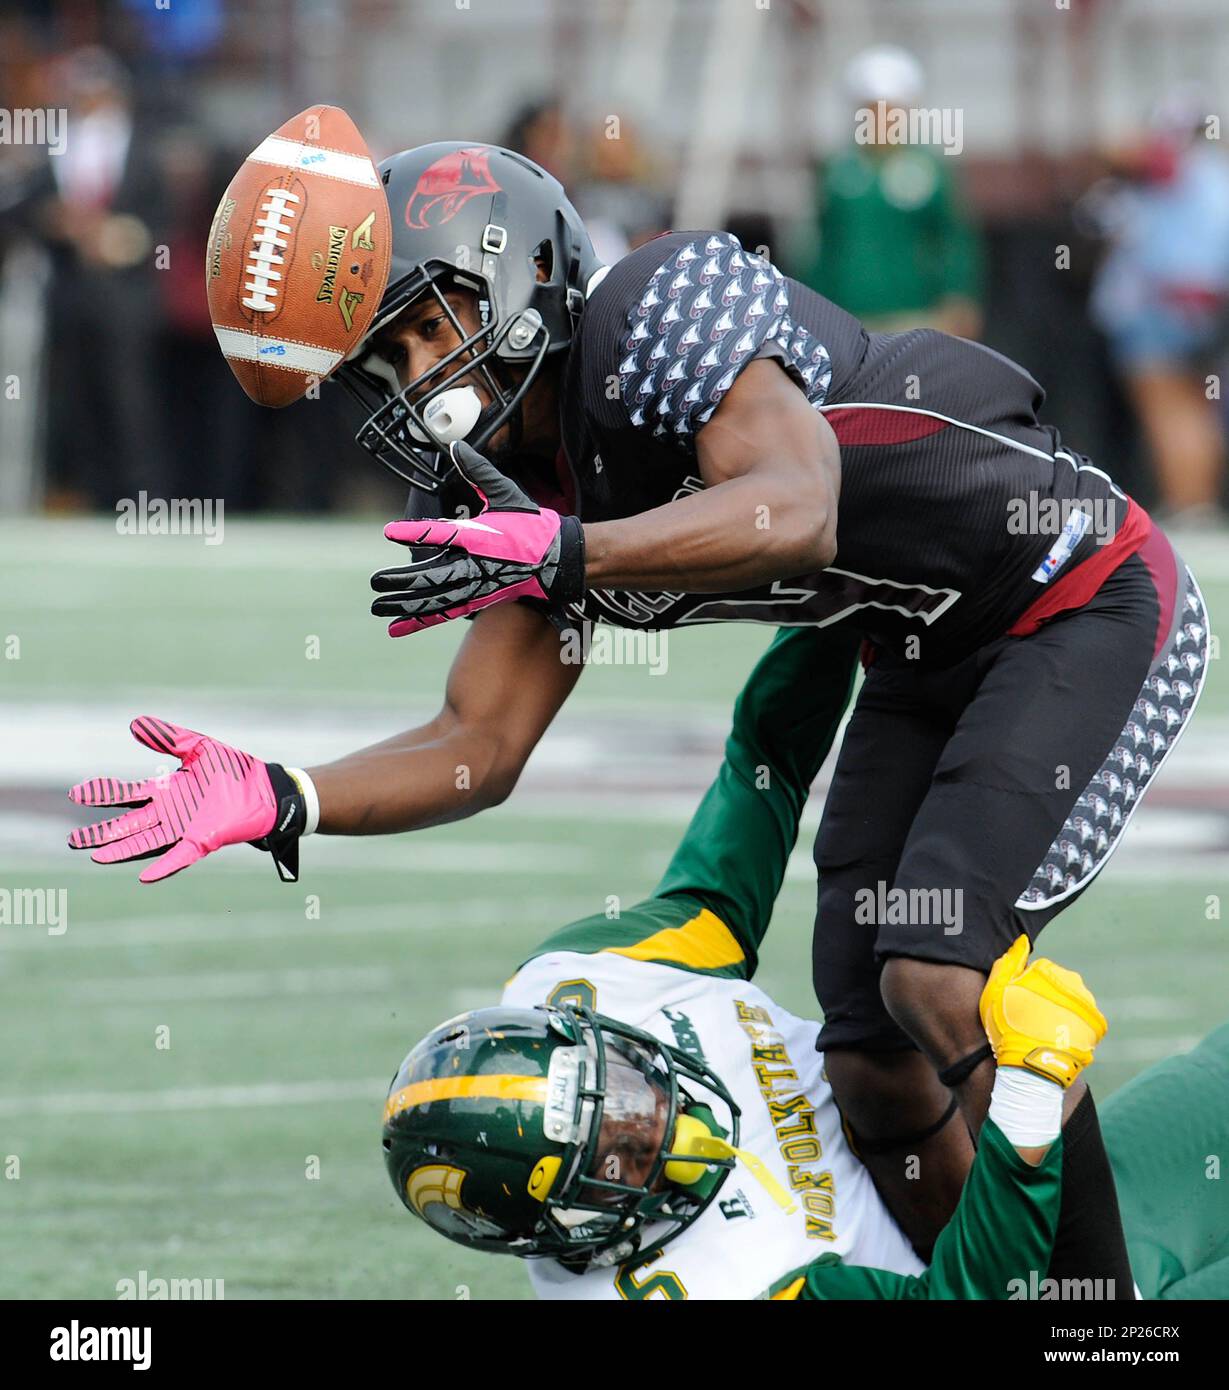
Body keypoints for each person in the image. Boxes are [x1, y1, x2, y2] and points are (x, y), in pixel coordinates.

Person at [68, 141, 1209, 1269]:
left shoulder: (658, 304)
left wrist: (566, 554)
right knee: (866, 1053)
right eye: (389, 359)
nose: (418, 375)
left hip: (1078, 592)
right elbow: (482, 740)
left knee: (936, 972)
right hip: (914, 648)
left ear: (512, 272)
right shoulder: (508, 479)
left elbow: (794, 506)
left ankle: (1102, 1322)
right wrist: (287, 795)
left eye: (431, 325)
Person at [379, 628, 1227, 1299]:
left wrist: (832, 598)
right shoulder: (712, 1288)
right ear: (574, 1226)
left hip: (995, 1194)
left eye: (629, 1089)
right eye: (619, 1156)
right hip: (990, 1259)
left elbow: (764, 764)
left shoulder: (601, 981)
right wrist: (1033, 1088)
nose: (656, 1118)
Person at [793, 44, 983, 339]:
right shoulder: (838, 171)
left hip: (916, 316)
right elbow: (821, 244)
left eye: (890, 110)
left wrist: (957, 297)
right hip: (847, 320)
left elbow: (952, 238)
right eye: (871, 110)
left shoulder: (928, 170)